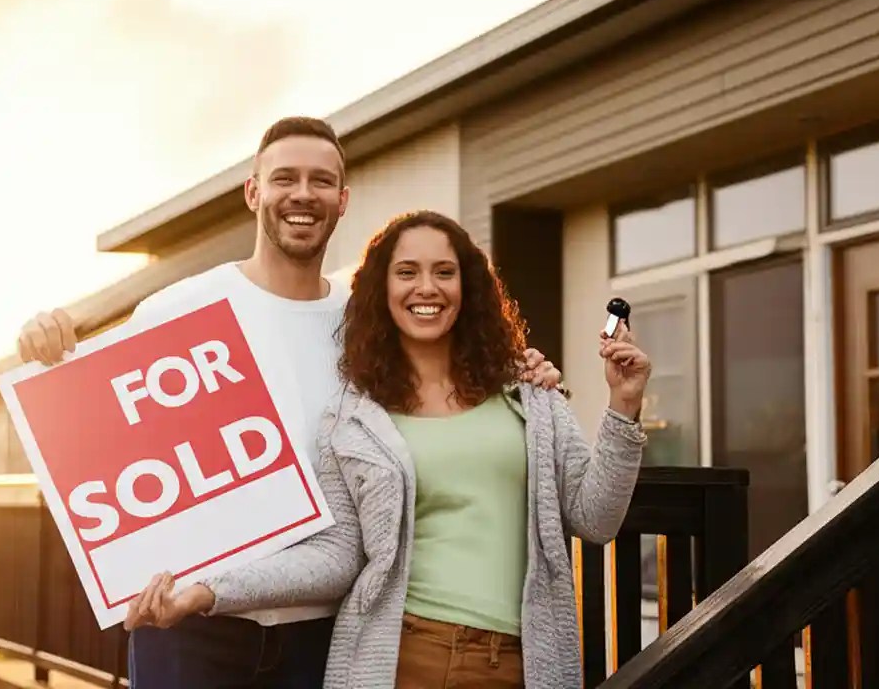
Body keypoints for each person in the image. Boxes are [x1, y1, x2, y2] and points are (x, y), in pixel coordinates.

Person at [16, 119, 563, 689]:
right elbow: (96, 434)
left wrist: (529, 374)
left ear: (343, 201)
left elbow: (453, 379)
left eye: (321, 181)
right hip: (188, 627)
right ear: (254, 192)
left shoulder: (369, 323)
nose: (303, 194)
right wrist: (44, 348)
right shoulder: (176, 309)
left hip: (320, 630)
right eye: (285, 179)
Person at [126, 210, 650, 688]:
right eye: (407, 272)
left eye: (445, 271)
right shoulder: (352, 415)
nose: (428, 287)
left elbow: (595, 517)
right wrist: (207, 591)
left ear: (469, 286)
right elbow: (336, 556)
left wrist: (622, 407)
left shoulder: (529, 394)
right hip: (394, 660)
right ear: (382, 288)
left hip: (515, 663)